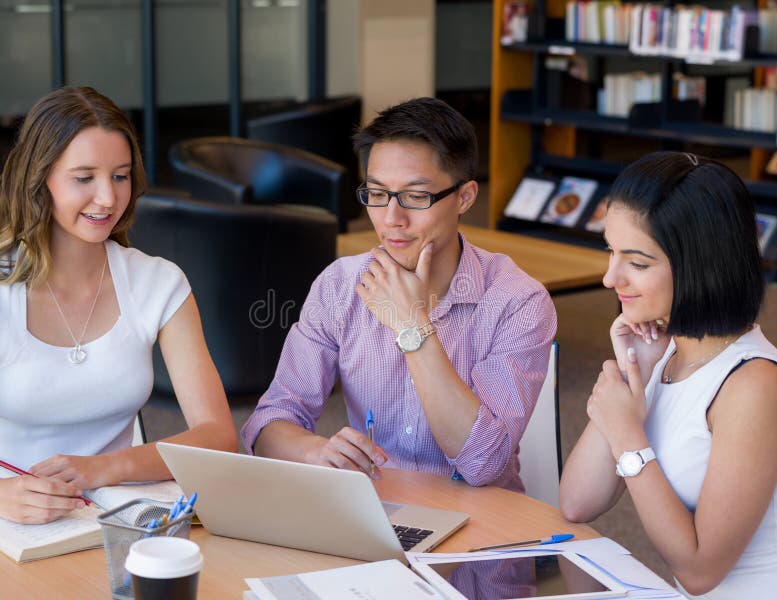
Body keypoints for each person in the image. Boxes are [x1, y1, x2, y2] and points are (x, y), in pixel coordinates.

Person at [241, 97, 556, 492]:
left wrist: (413, 326)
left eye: (415, 196)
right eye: (376, 193)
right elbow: (268, 422)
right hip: (373, 521)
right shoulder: (340, 285)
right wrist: (313, 452)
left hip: (480, 536)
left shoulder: (518, 302)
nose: (392, 218)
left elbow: (484, 464)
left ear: (465, 196)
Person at [559, 151, 777, 599]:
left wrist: (629, 436)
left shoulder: (755, 386)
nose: (611, 278)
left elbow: (699, 571)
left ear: (700, 264)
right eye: (611, 251)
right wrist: (638, 371)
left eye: (638, 262)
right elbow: (576, 504)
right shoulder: (666, 352)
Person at [0, 87, 238, 525]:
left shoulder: (159, 282)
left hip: (113, 519)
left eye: (121, 176)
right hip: (12, 526)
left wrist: (102, 468)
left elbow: (219, 437)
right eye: (84, 177)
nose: (108, 198)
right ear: (40, 178)